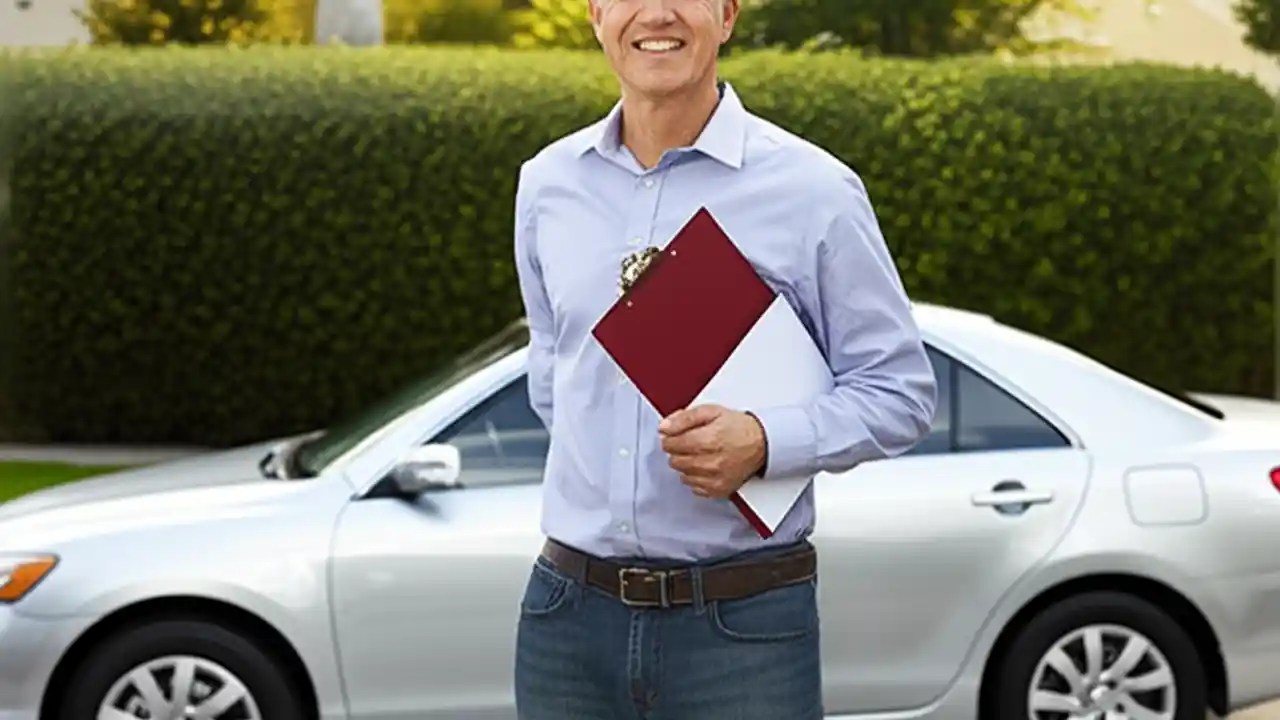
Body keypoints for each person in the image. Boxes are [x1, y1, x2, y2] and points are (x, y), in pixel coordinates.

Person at [509, 0, 938, 717]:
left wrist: (766, 441)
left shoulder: (813, 190)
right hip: (568, 619)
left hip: (743, 627)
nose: (657, 14)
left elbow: (901, 392)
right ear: (596, 14)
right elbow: (553, 368)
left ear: (728, 15)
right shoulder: (548, 183)